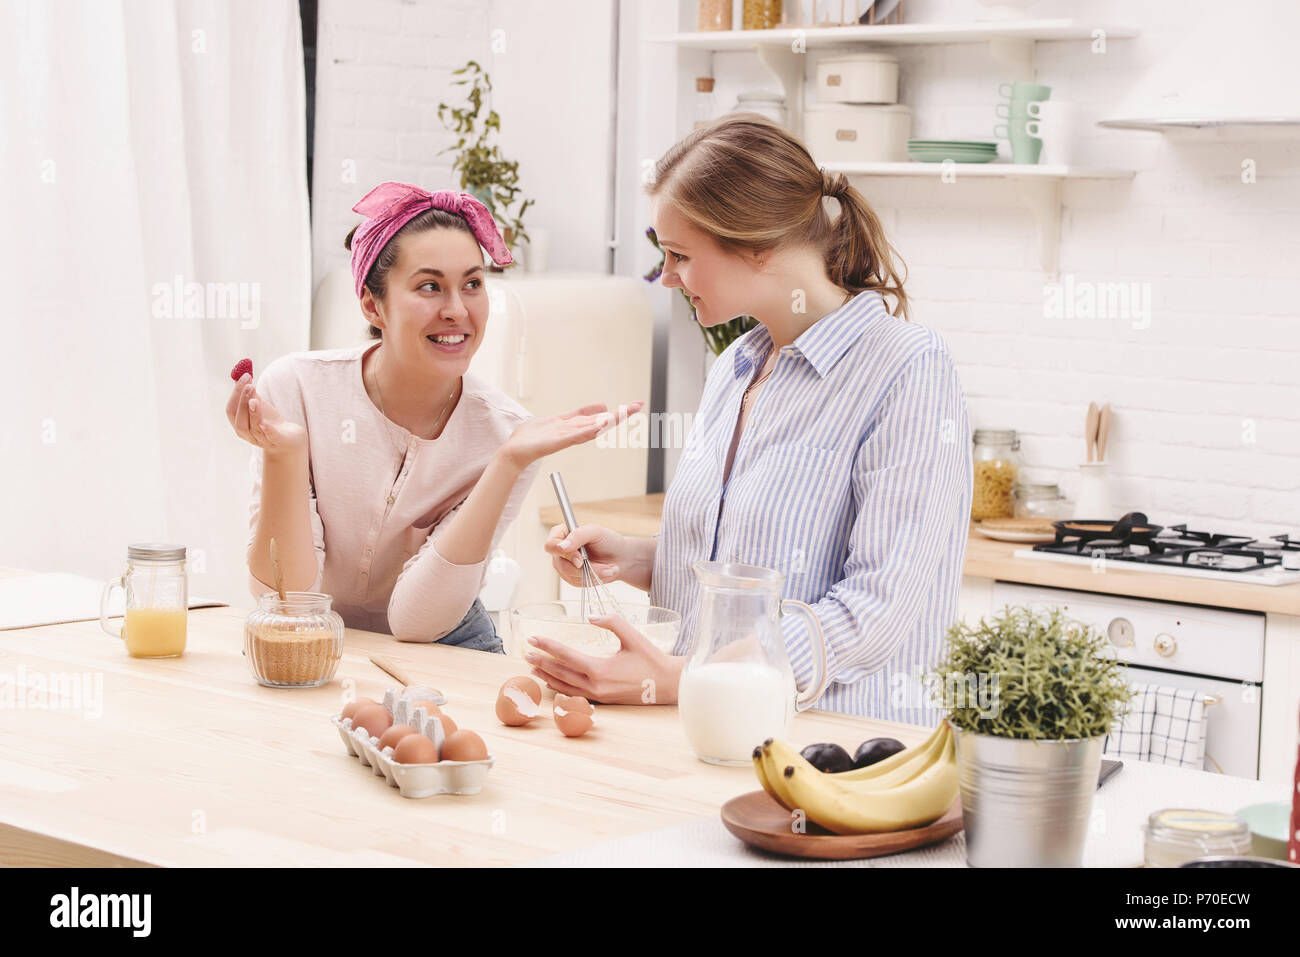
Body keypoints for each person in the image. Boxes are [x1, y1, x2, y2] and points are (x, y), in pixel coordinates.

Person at [534, 116, 972, 722]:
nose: (668, 276)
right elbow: (751, 562)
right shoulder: (736, 368)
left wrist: (692, 677)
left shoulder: (906, 369)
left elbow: (878, 607)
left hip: (840, 756)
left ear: (758, 244)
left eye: (681, 255)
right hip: (710, 734)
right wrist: (632, 557)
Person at [228, 182, 640, 650]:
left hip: (449, 647)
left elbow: (416, 624)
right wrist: (286, 456)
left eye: (472, 284)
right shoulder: (296, 388)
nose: (457, 310)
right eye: (430, 286)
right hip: (307, 643)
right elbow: (286, 597)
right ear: (371, 304)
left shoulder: (507, 435)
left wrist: (506, 464)